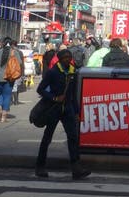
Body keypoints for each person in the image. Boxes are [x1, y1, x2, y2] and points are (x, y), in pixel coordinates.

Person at [34, 48, 90, 180]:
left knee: (73, 137)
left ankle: (76, 168)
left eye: (69, 57)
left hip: (68, 109)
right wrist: (54, 98)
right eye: (65, 58)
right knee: (47, 138)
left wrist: (76, 112)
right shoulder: (53, 72)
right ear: (59, 59)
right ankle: (40, 166)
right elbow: (40, 89)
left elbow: (73, 94)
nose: (67, 60)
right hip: (54, 109)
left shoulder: (73, 72)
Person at [0, 37, 23, 123]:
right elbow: (20, 63)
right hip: (9, 77)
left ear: (3, 43)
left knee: (0, 95)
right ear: (11, 44)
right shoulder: (14, 52)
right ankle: (4, 117)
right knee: (7, 96)